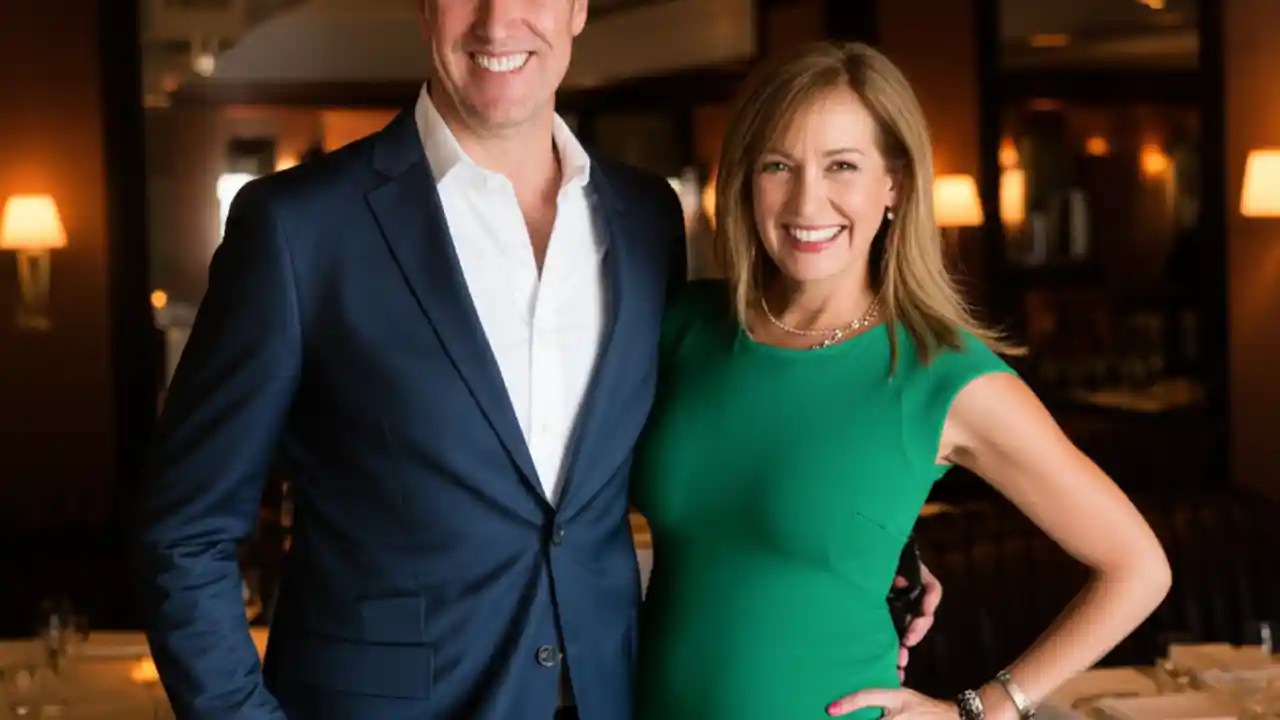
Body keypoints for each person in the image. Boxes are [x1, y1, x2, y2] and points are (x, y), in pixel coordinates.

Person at [131, 1, 938, 717]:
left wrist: (862, 537)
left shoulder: (644, 216)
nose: (496, 20)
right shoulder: (298, 228)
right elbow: (184, 530)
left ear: (579, 8)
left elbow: (712, 420)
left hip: (619, 696)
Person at [629, 42, 1172, 720]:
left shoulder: (943, 375)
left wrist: (985, 706)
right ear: (743, 178)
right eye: (778, 165)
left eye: (843, 167)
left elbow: (1138, 567)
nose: (807, 200)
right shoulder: (683, 326)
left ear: (896, 184)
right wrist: (880, 537)